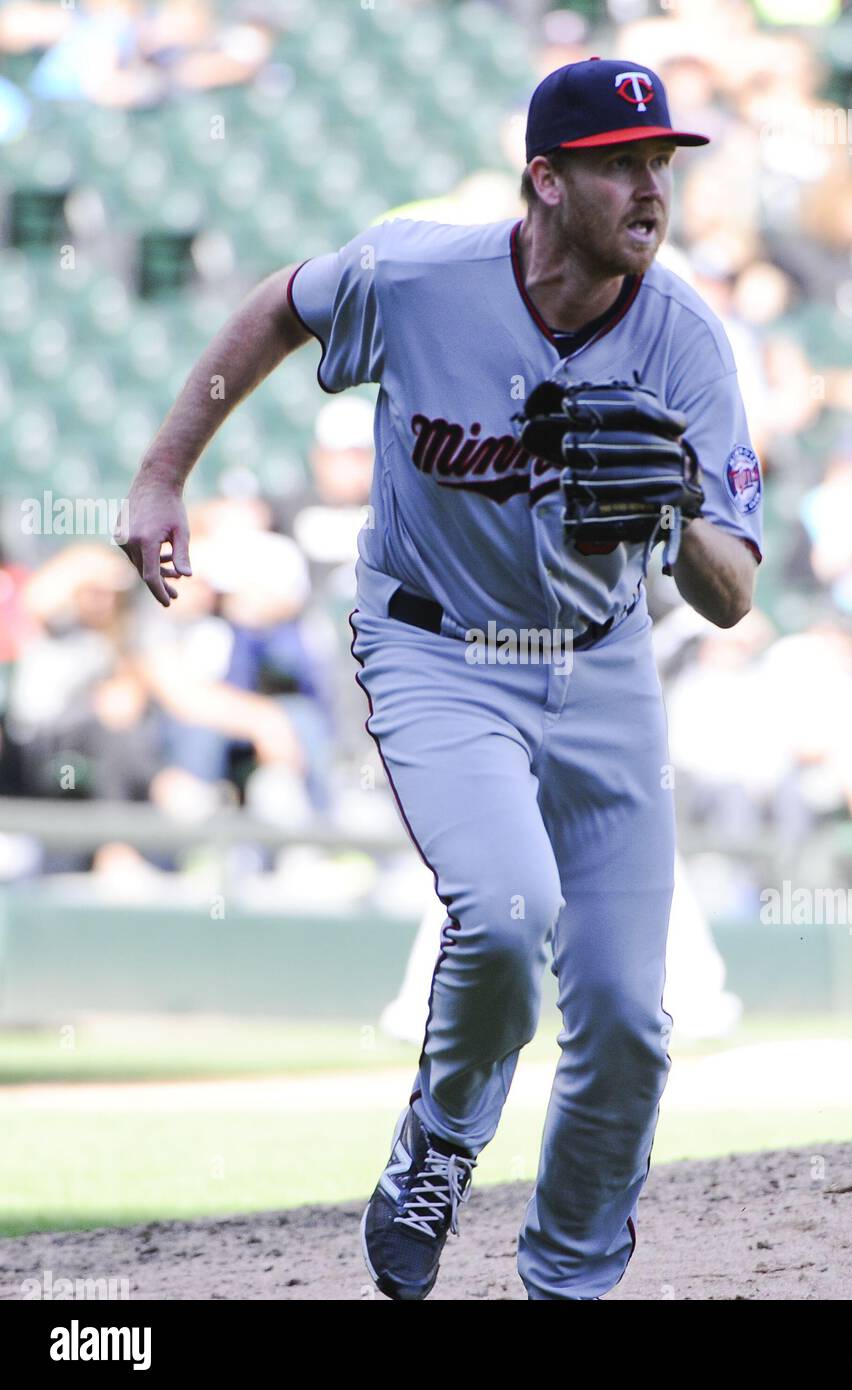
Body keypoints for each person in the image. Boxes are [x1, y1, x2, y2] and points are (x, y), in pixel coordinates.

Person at [118, 56, 762, 1301]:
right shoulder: (419, 276)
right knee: (509, 912)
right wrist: (159, 477)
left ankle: (569, 1280)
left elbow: (731, 597)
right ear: (545, 178)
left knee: (628, 1017)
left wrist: (679, 504)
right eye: (620, 164)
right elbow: (278, 308)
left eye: (661, 166)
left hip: (601, 663)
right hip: (437, 647)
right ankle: (441, 1143)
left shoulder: (684, 337)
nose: (649, 189)